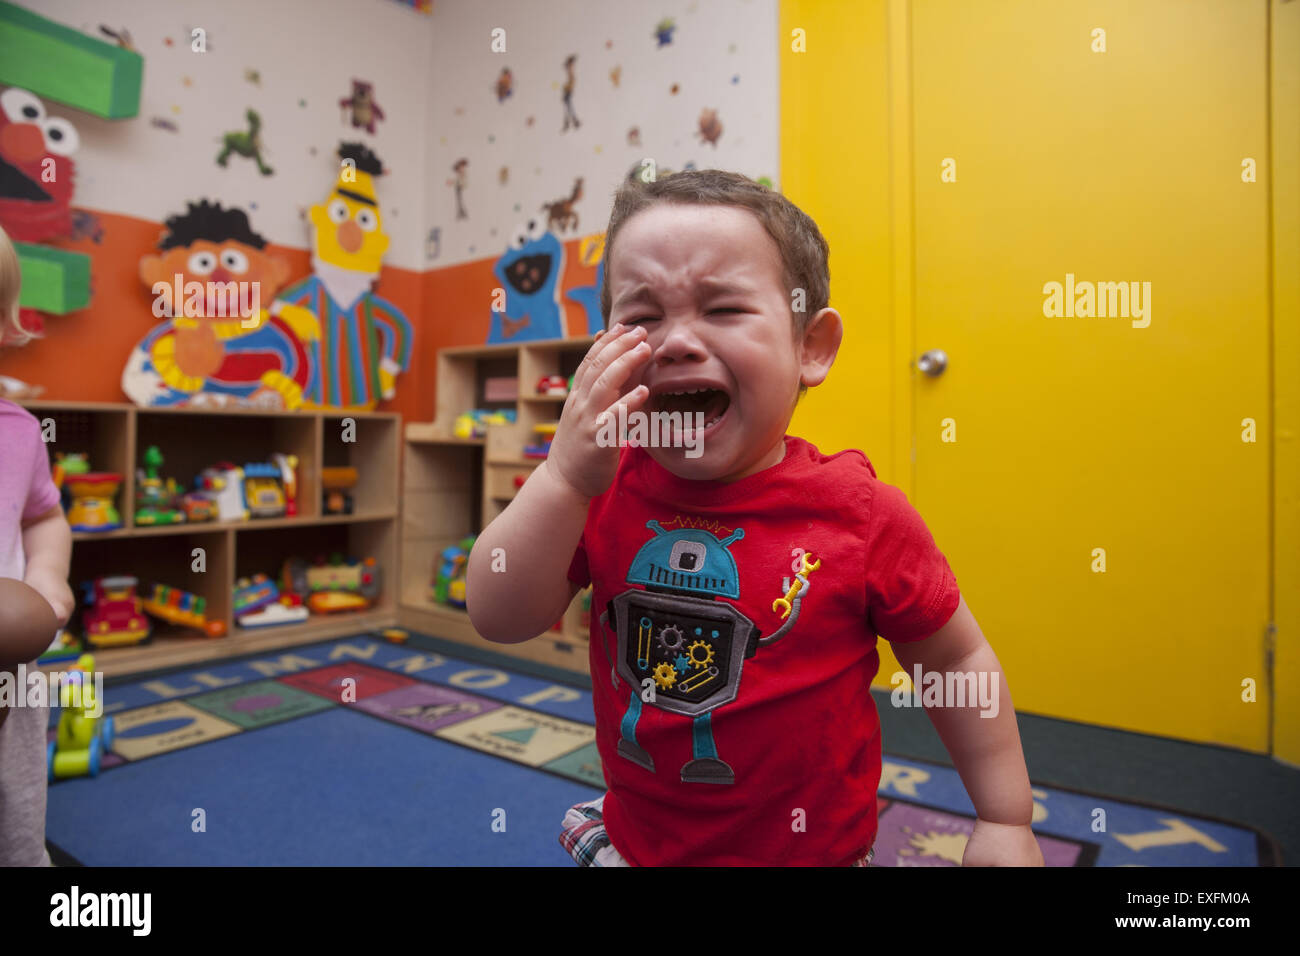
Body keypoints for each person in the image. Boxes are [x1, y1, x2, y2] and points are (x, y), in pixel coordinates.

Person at [466, 170, 1043, 867]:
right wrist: (560, 477)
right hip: (639, 847)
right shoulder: (597, 487)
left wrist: (1005, 818)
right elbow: (498, 615)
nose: (675, 341)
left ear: (811, 347)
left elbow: (956, 658)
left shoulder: (862, 518)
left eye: (723, 308)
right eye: (641, 318)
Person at [0, 223, 75, 866]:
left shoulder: (19, 429)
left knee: (16, 810)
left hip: (9, 668)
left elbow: (43, 515)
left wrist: (48, 574)